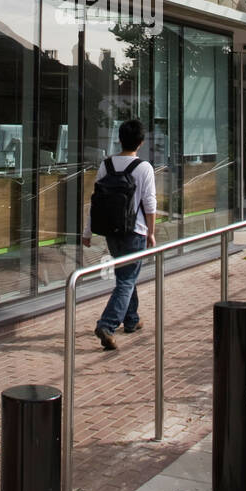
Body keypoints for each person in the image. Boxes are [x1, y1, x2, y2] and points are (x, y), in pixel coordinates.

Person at [83, 118, 157, 351]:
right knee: (126, 279)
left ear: (119, 139)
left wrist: (87, 231)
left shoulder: (107, 165)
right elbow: (150, 204)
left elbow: (95, 201)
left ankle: (132, 319)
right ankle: (107, 324)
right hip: (135, 232)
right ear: (141, 142)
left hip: (111, 232)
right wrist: (151, 233)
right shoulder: (144, 168)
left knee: (126, 275)